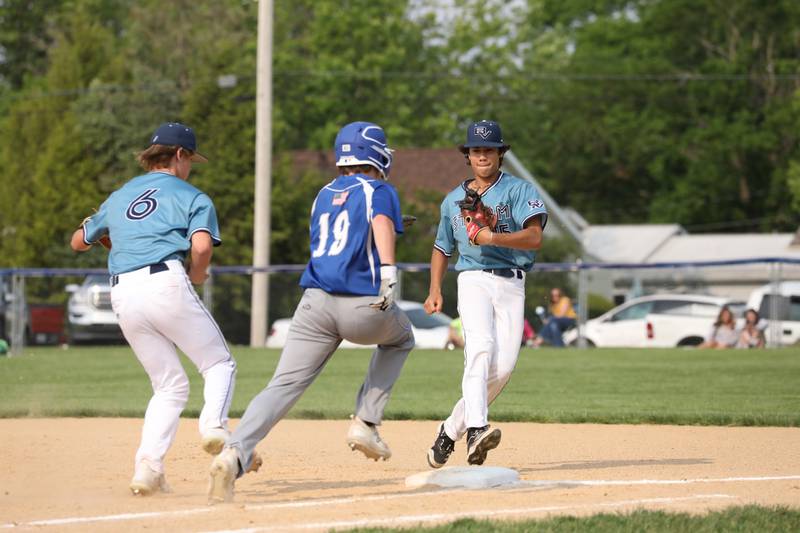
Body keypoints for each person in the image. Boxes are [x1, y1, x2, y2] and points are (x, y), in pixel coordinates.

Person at [207, 121, 415, 503]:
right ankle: (366, 423)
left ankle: (234, 453)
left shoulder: (323, 193)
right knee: (402, 339)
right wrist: (389, 272)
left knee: (283, 384)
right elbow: (380, 222)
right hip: (361, 303)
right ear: (375, 153)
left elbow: (344, 234)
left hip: (314, 303)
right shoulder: (378, 188)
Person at [70, 122, 237, 496]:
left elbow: (79, 241)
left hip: (123, 292)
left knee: (169, 386)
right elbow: (202, 247)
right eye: (190, 158)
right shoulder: (193, 196)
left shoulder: (120, 195)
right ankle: (213, 426)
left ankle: (148, 468)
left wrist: (104, 228)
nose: (191, 165)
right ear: (179, 155)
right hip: (165, 281)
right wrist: (197, 275)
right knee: (218, 364)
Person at [423, 119, 546, 468]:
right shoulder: (452, 202)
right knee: (479, 348)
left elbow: (534, 238)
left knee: (503, 367)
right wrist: (434, 289)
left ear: (500, 153)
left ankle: (450, 430)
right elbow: (441, 247)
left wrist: (492, 237)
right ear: (468, 155)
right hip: (473, 278)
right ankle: (477, 428)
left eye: (489, 149)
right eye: (476, 150)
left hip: (512, 281)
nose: (482, 155)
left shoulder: (520, 191)